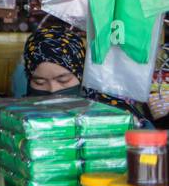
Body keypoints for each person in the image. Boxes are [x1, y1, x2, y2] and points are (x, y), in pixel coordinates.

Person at [18, 20, 151, 125]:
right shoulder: (15, 117)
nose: (53, 90)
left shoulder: (117, 114)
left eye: (63, 80)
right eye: (39, 82)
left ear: (82, 73)